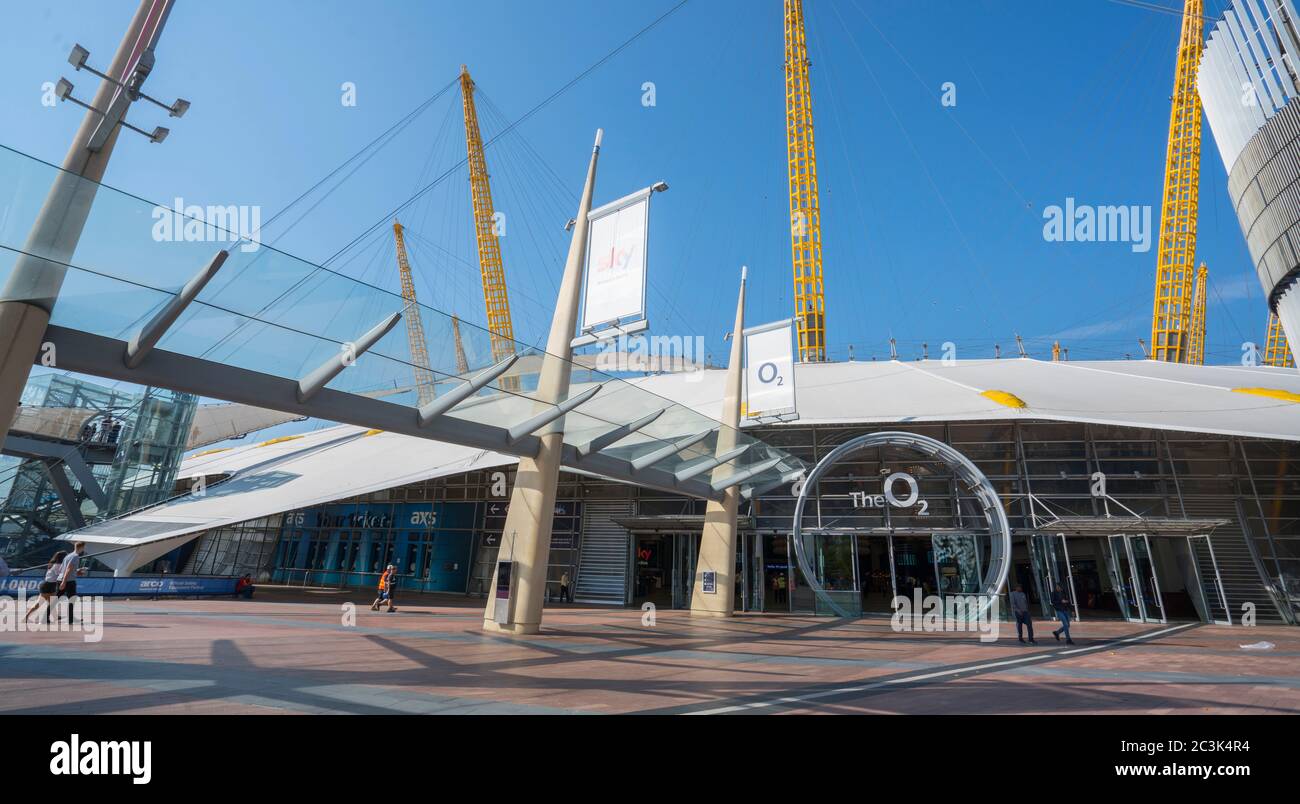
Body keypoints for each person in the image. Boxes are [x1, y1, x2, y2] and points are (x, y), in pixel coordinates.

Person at [25, 550, 65, 624]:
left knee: (52, 602)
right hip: (48, 585)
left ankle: (55, 616)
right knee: (40, 603)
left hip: (49, 584)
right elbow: (60, 575)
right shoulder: (57, 565)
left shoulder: (53, 564)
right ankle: (27, 616)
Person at [56, 542, 86, 624]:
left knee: (55, 599)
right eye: (84, 547)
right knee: (72, 600)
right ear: (82, 547)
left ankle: (46, 616)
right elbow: (68, 569)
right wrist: (64, 581)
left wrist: (76, 572)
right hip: (69, 581)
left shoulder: (68, 556)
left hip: (61, 579)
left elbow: (62, 569)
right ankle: (70, 619)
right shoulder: (76, 556)